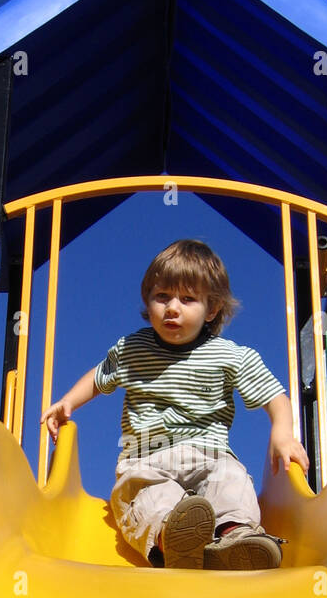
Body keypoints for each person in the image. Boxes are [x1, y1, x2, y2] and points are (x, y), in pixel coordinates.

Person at [40, 239, 309, 569]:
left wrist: (282, 434)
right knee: (145, 493)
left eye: (188, 299)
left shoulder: (230, 356)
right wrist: (67, 402)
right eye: (162, 296)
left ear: (211, 309)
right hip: (146, 456)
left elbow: (274, 397)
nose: (172, 308)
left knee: (230, 479)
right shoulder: (132, 348)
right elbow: (99, 377)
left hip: (209, 453)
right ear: (148, 301)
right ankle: (174, 537)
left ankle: (235, 536)